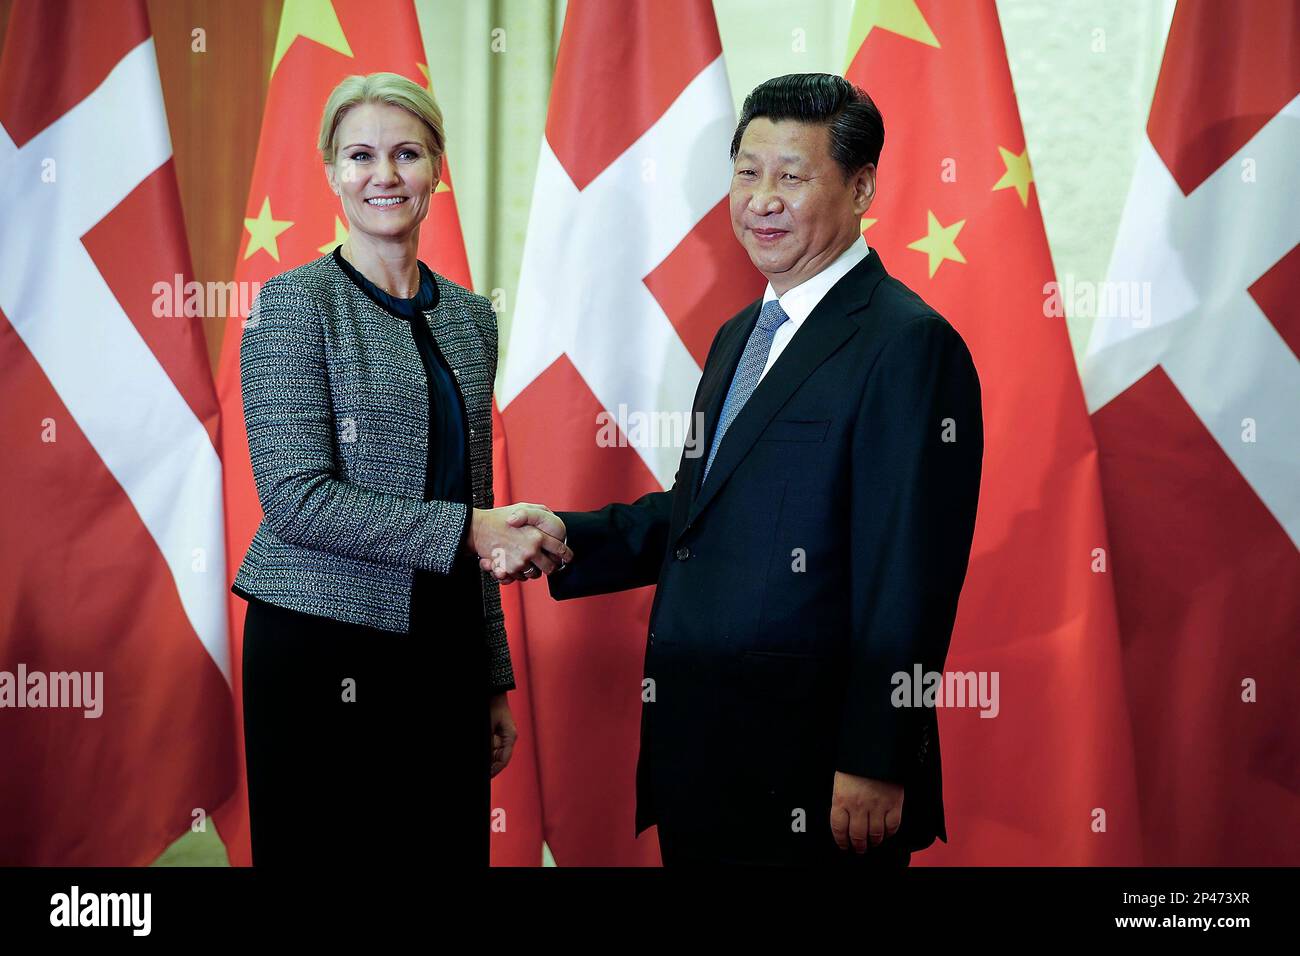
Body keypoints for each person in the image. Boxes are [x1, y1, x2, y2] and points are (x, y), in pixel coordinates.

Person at [493, 73, 983, 867]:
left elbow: (912, 571)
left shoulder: (906, 343)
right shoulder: (739, 336)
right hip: (702, 756)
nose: (761, 198)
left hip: (818, 770)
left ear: (861, 187)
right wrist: (563, 534)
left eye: (792, 175)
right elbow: (703, 510)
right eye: (747, 172)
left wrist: (876, 754)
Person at [231, 72, 571, 868]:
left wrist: (492, 675)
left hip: (444, 651)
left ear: (436, 168)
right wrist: (470, 529)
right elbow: (296, 501)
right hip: (322, 650)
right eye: (360, 156)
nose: (384, 175)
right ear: (330, 172)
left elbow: (475, 497)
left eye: (406, 154)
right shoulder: (292, 304)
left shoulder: (470, 316)